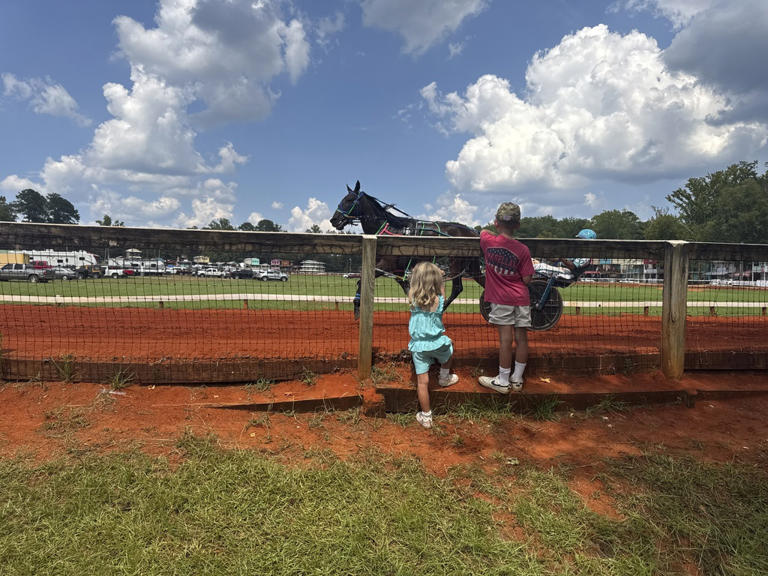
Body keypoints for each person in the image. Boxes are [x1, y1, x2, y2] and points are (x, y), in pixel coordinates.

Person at [478, 203, 535, 394]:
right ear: (518, 226)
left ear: (496, 222)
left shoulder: (488, 241)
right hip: (521, 298)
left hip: (501, 298)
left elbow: (482, 232)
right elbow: (527, 279)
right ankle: (517, 379)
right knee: (522, 339)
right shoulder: (523, 250)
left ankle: (503, 381)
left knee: (505, 340)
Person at [407, 261, 459, 429]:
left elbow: (414, 284)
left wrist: (416, 275)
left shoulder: (413, 299)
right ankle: (444, 377)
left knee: (422, 382)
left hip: (420, 348)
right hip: (437, 343)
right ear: (436, 281)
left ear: (416, 281)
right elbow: (441, 290)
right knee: (449, 349)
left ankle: (426, 416)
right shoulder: (440, 300)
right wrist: (441, 278)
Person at [532, 228, 597, 283]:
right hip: (561, 270)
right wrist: (545, 255)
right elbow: (556, 259)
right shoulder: (576, 251)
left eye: (580, 239)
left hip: (568, 274)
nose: (578, 241)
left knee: (538, 266)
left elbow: (572, 266)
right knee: (532, 261)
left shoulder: (586, 256)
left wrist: (561, 257)